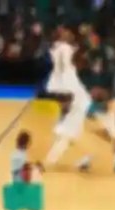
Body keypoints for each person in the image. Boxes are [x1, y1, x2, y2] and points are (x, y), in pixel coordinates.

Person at [42, 27, 95, 172]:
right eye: (66, 33)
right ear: (61, 36)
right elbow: (72, 59)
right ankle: (52, 160)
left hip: (68, 89)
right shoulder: (65, 49)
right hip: (71, 89)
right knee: (68, 132)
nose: (70, 34)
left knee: (70, 131)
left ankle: (83, 157)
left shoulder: (57, 48)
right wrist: (86, 38)